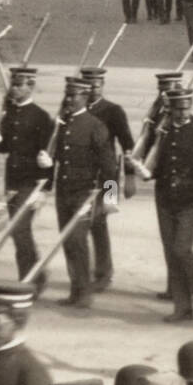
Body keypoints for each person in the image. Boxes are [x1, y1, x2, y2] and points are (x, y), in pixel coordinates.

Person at [146, 88, 193, 323]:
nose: (182, 113)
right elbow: (157, 168)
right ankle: (182, 307)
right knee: (171, 253)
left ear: (190, 108)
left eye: (186, 108)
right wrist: (146, 172)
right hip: (165, 198)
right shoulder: (163, 135)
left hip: (190, 199)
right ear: (171, 110)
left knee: (181, 248)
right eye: (178, 109)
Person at [47, 75, 118, 309]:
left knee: (78, 240)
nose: (68, 99)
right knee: (68, 241)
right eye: (67, 94)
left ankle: (85, 292)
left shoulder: (95, 126)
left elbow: (109, 166)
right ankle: (75, 290)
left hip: (84, 194)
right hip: (63, 191)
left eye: (73, 95)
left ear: (85, 97)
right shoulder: (63, 124)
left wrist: (109, 198)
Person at [0, 64, 54, 292]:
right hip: (13, 180)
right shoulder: (10, 113)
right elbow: (5, 147)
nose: (14, 89)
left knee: (20, 229)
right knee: (18, 232)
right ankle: (36, 275)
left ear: (31, 86)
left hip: (32, 181)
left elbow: (48, 154)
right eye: (13, 85)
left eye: (19, 85)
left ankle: (29, 281)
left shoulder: (41, 117)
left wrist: (44, 190)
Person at [82, 68, 136, 293]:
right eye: (89, 84)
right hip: (82, 176)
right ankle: (86, 273)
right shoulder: (74, 108)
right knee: (81, 224)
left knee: (99, 222)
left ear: (103, 84)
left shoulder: (113, 111)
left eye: (97, 83)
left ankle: (103, 273)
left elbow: (128, 145)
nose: (93, 88)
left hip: (108, 178)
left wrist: (130, 177)